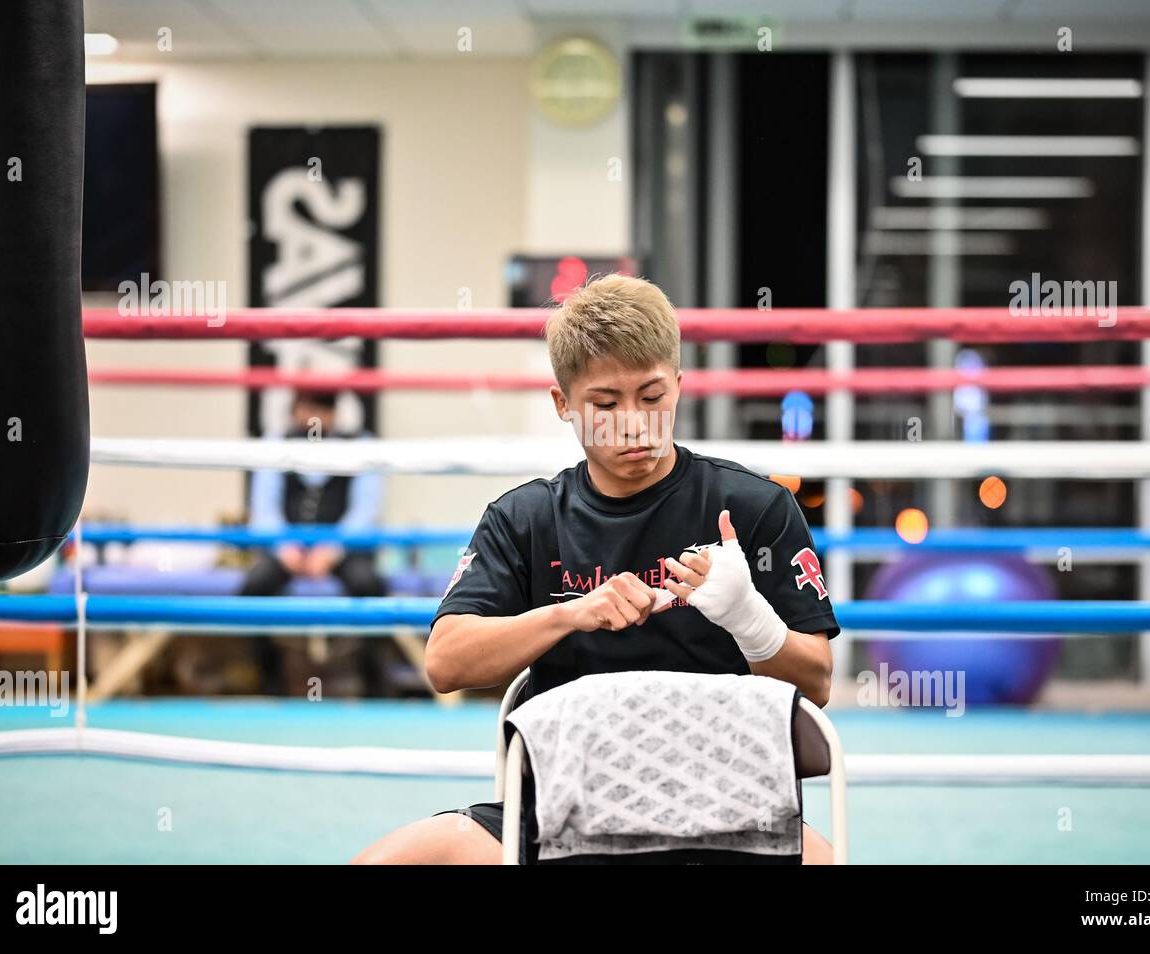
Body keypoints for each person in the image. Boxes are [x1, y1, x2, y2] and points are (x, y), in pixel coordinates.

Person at [353, 275, 839, 864]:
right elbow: (446, 661)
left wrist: (749, 619)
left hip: (729, 809)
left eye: (653, 396)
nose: (633, 422)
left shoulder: (756, 508)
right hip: (561, 805)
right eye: (605, 404)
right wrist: (568, 614)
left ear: (680, 387)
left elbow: (816, 684)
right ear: (563, 404)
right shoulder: (526, 519)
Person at [241, 389, 388, 693]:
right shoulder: (276, 445)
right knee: (253, 588)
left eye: (324, 409)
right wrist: (284, 547)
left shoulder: (359, 446)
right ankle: (268, 682)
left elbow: (366, 509)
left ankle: (373, 683)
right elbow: (263, 507)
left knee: (370, 585)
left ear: (335, 413)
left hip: (343, 549)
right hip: (287, 548)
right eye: (309, 408)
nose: (316, 417)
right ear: (295, 410)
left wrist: (333, 549)